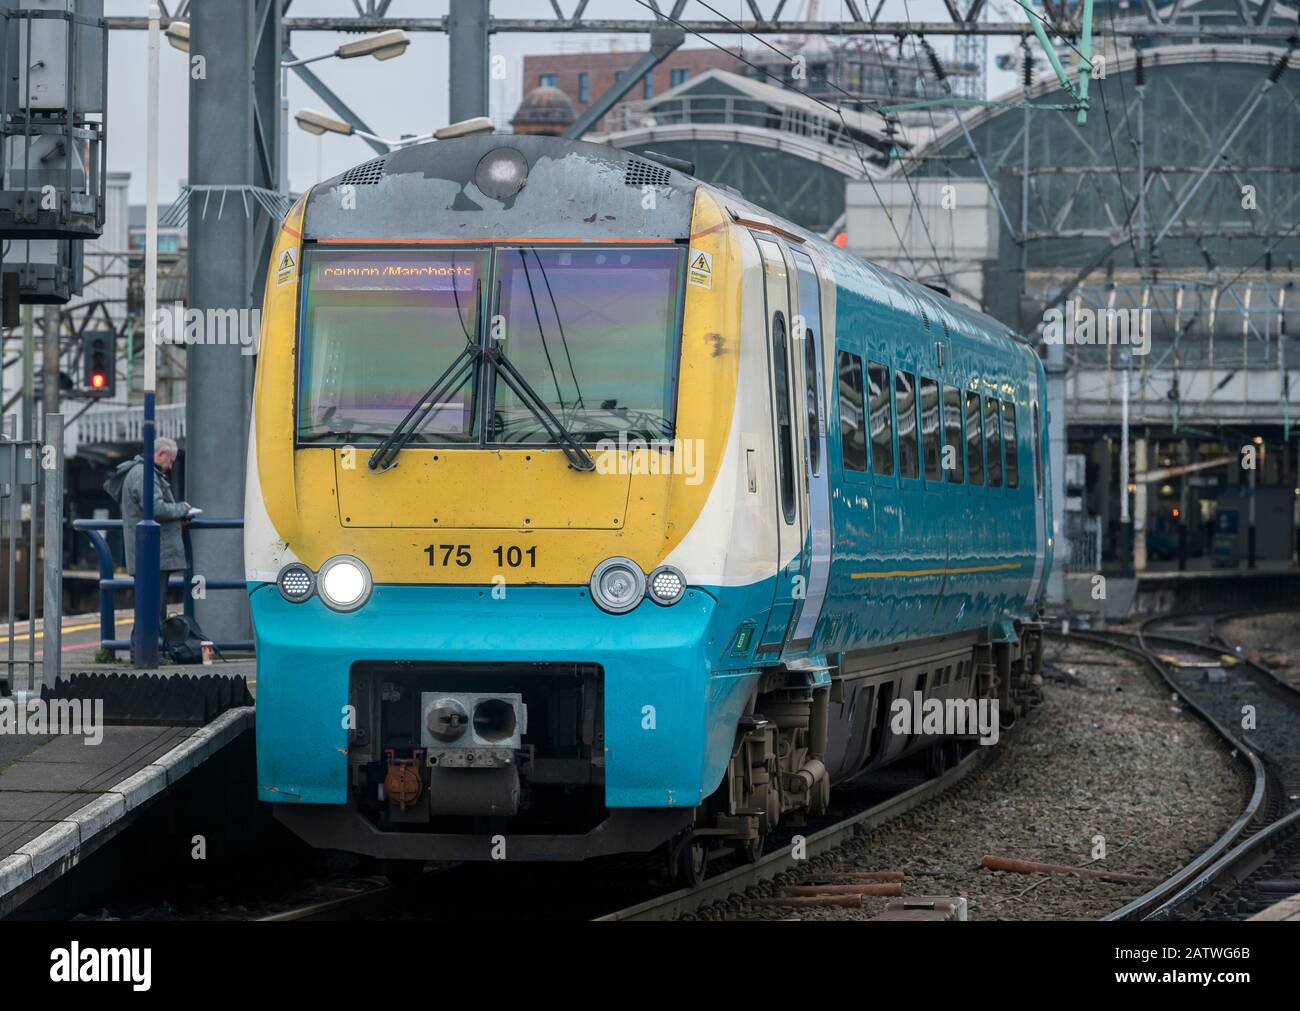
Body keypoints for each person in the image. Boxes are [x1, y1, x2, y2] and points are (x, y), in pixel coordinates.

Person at [105, 436, 193, 630]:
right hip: (154, 554)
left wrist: (177, 519)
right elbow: (155, 508)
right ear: (160, 454)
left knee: (149, 609)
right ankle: (146, 647)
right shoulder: (145, 475)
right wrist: (182, 509)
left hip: (150, 552)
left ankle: (145, 645)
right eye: (170, 461)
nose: (170, 467)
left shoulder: (142, 473)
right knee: (153, 610)